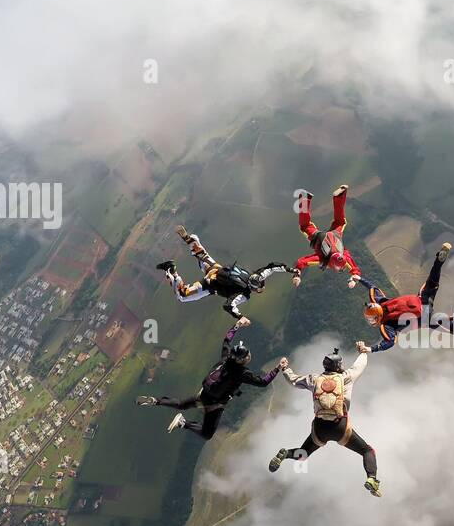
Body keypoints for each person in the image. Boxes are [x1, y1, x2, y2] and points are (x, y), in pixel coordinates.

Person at [269, 343, 382, 497]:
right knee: (367, 450)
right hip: (340, 427)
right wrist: (363, 351)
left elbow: (294, 380)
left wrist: (285, 368)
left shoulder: (314, 379)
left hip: (320, 428)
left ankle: (286, 453)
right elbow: (359, 366)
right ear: (338, 365)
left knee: (303, 454)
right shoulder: (346, 378)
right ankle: (372, 478)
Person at [135, 327, 280, 440]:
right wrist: (279, 368)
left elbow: (226, 341)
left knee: (181, 404)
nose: (249, 355)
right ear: (242, 360)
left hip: (205, 394)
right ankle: (183, 423)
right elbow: (263, 382)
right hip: (214, 404)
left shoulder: (225, 358)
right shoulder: (241, 373)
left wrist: (236, 326)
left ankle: (156, 401)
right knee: (207, 434)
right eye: (247, 355)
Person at [355, 241, 454, 353]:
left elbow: (389, 343)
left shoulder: (387, 325)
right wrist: (359, 278)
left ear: (378, 316)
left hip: (425, 317)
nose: (371, 322)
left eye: (372, 319)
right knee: (432, 281)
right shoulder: (380, 302)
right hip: (422, 298)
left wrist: (371, 349)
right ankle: (439, 261)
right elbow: (371, 286)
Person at [157, 225, 298, 326]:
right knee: (182, 295)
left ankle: (193, 241)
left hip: (216, 269)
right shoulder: (244, 294)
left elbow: (273, 266)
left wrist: (294, 271)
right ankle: (172, 271)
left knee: (203, 257)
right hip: (209, 285)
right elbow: (229, 305)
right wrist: (240, 317)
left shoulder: (255, 274)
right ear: (254, 289)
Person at [294, 185, 362, 287]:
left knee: (340, 221)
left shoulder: (344, 256)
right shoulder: (322, 259)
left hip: (335, 234)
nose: (341, 269)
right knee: (304, 226)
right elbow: (302, 262)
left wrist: (354, 278)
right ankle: (304, 198)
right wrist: (297, 275)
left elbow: (355, 270)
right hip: (318, 237)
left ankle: (340, 196)